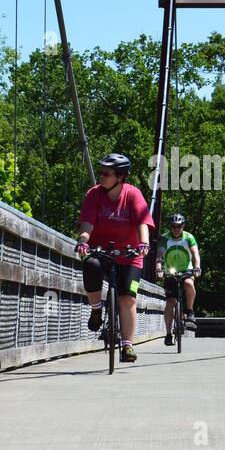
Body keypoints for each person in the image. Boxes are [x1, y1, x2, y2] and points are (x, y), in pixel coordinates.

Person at [74, 153, 153, 363]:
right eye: (100, 172)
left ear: (120, 177)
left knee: (128, 299)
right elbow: (87, 223)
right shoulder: (94, 194)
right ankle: (96, 310)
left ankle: (127, 345)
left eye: (106, 173)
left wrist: (144, 244)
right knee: (90, 263)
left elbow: (142, 222)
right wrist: (83, 241)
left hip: (130, 255)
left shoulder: (133, 194)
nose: (101, 176)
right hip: (102, 251)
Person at [155, 212, 201, 345]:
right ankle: (168, 334)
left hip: (186, 269)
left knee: (188, 284)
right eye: (174, 226)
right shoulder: (164, 238)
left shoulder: (188, 237)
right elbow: (159, 255)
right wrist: (158, 268)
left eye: (179, 226)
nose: (176, 229)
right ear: (170, 227)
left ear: (183, 226)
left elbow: (195, 253)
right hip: (170, 271)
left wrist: (197, 267)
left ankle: (190, 310)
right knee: (170, 302)